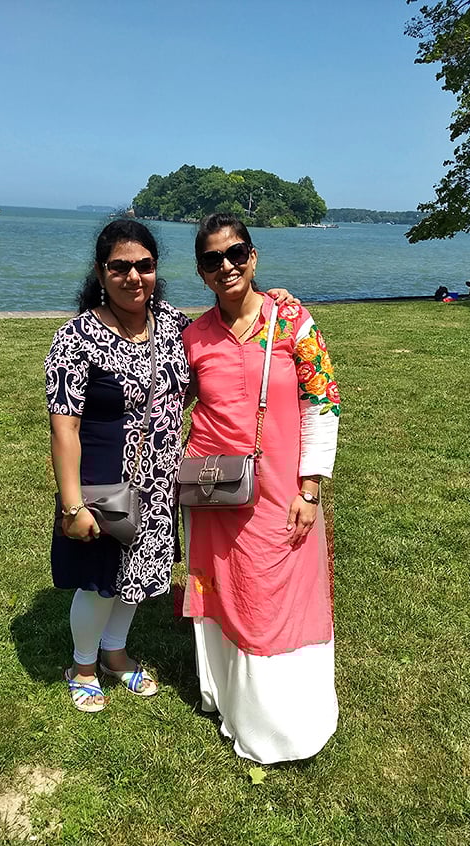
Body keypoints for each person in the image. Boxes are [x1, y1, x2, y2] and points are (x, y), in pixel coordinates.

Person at [182, 213, 340, 763]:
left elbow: (322, 403)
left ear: (253, 257)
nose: (225, 266)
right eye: (212, 259)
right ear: (201, 272)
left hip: (282, 491)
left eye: (235, 253)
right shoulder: (193, 336)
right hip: (214, 492)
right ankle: (227, 698)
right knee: (226, 589)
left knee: (279, 592)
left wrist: (310, 488)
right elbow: (167, 400)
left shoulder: (292, 320)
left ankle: (283, 721)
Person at [45, 219, 192, 712]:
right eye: (120, 267)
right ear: (100, 272)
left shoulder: (172, 324)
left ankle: (115, 654)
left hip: (160, 481)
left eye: (144, 266)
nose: (133, 277)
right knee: (100, 581)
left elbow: (220, 341)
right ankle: (83, 666)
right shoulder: (77, 338)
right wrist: (72, 507)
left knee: (137, 576)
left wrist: (270, 300)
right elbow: (64, 428)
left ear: (156, 268)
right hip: (105, 485)